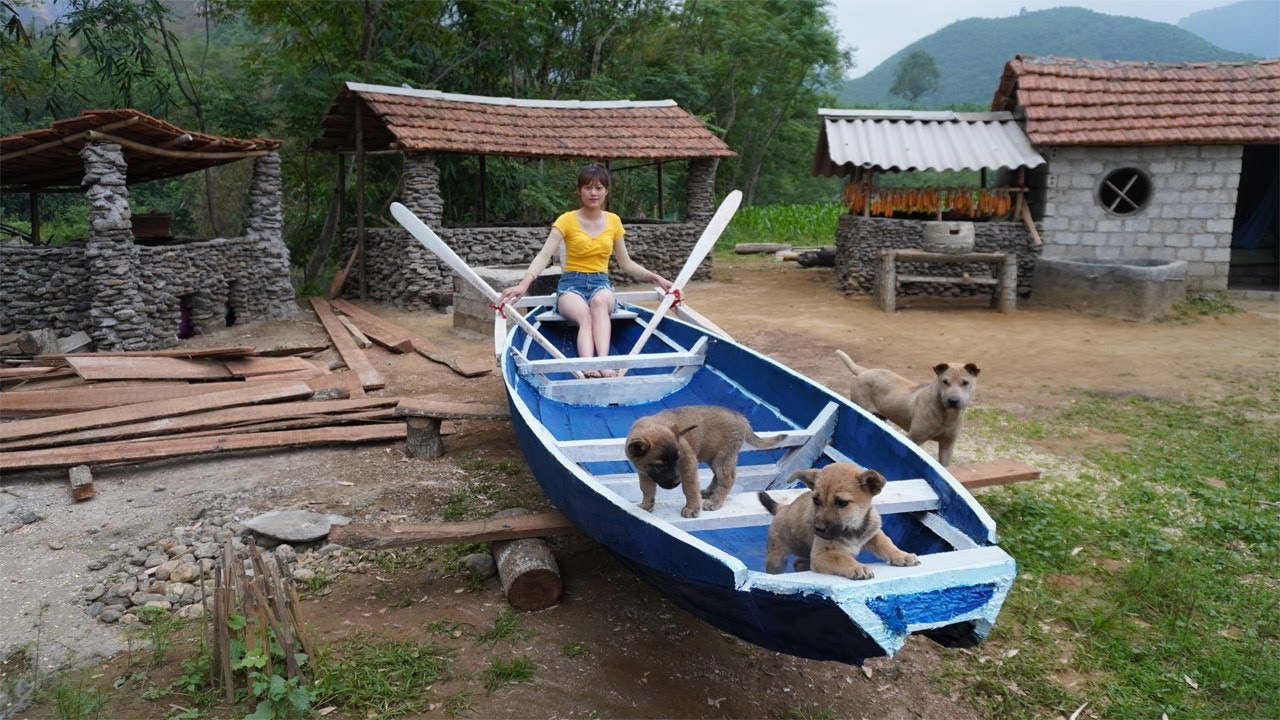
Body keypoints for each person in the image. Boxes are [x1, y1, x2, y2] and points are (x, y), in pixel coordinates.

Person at [497, 164, 673, 377]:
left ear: (606, 191)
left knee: (599, 304)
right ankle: (587, 365)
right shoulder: (566, 219)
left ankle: (603, 362)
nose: (593, 192)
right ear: (579, 191)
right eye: (588, 187)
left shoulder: (614, 221)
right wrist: (524, 284)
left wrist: (658, 278)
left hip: (601, 284)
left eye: (599, 188)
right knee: (585, 316)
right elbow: (543, 256)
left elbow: (626, 263)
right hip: (571, 285)